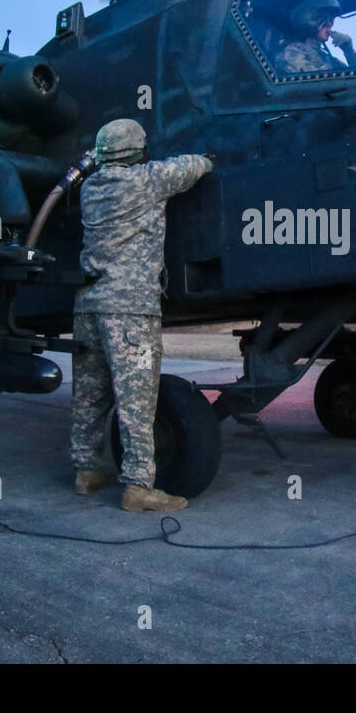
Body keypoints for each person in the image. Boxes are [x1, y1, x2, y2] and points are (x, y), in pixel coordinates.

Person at [70, 118, 213, 512]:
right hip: (131, 310)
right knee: (137, 399)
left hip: (89, 306)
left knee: (89, 394)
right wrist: (208, 157)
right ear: (137, 151)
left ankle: (86, 471)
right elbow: (194, 167)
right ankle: (138, 486)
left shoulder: (91, 188)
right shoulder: (146, 180)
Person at [280, 0, 356, 73]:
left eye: (331, 20)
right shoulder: (293, 51)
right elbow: (315, 82)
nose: (329, 24)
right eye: (324, 19)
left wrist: (349, 51)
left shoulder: (328, 58)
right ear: (309, 20)